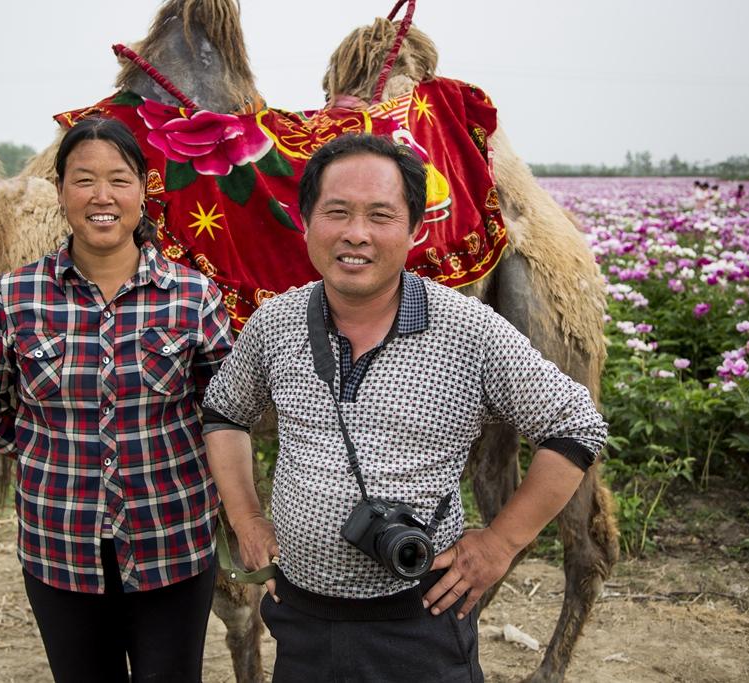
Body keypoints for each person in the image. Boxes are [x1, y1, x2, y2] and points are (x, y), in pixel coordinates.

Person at [201, 133, 607, 682]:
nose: (356, 234)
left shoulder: (467, 329)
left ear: (415, 229)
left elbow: (576, 426)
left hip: (422, 625)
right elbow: (224, 412)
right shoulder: (275, 324)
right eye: (337, 212)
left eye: (380, 215)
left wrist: (499, 544)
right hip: (301, 624)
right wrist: (247, 518)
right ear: (306, 221)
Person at [0, 117, 234, 683]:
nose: (102, 196)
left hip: (171, 539)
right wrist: (36, 447)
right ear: (60, 193)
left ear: (143, 192)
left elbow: (225, 407)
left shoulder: (193, 295)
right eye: (83, 180)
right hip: (60, 544)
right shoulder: (13, 296)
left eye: (119, 180)